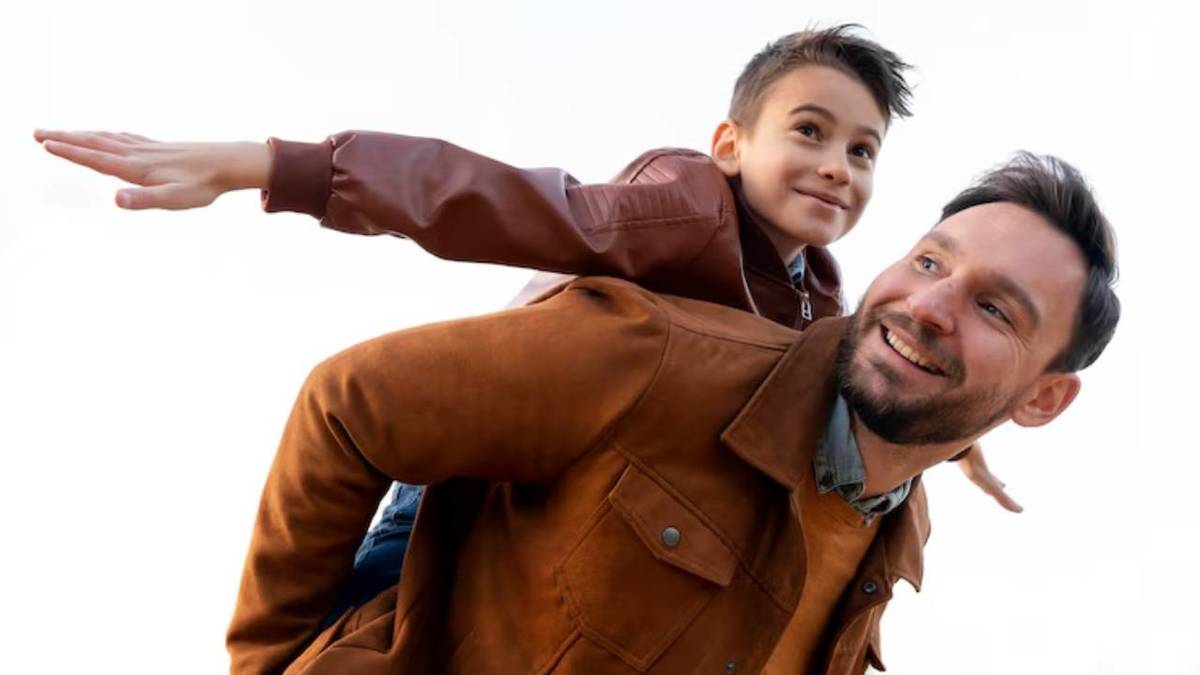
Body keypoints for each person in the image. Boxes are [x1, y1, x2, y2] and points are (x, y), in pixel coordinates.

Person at [33, 27, 1021, 601]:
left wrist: (955, 436)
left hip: (601, 515)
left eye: (862, 152)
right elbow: (494, 198)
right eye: (809, 132)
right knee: (387, 631)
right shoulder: (684, 205)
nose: (836, 168)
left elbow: (859, 378)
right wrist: (269, 165)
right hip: (470, 488)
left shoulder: (823, 294)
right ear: (729, 144)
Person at [224, 152, 1120, 674]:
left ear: (1043, 398)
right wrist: (268, 664)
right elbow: (349, 402)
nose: (929, 305)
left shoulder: (894, 546)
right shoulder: (658, 356)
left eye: (996, 308)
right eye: (930, 262)